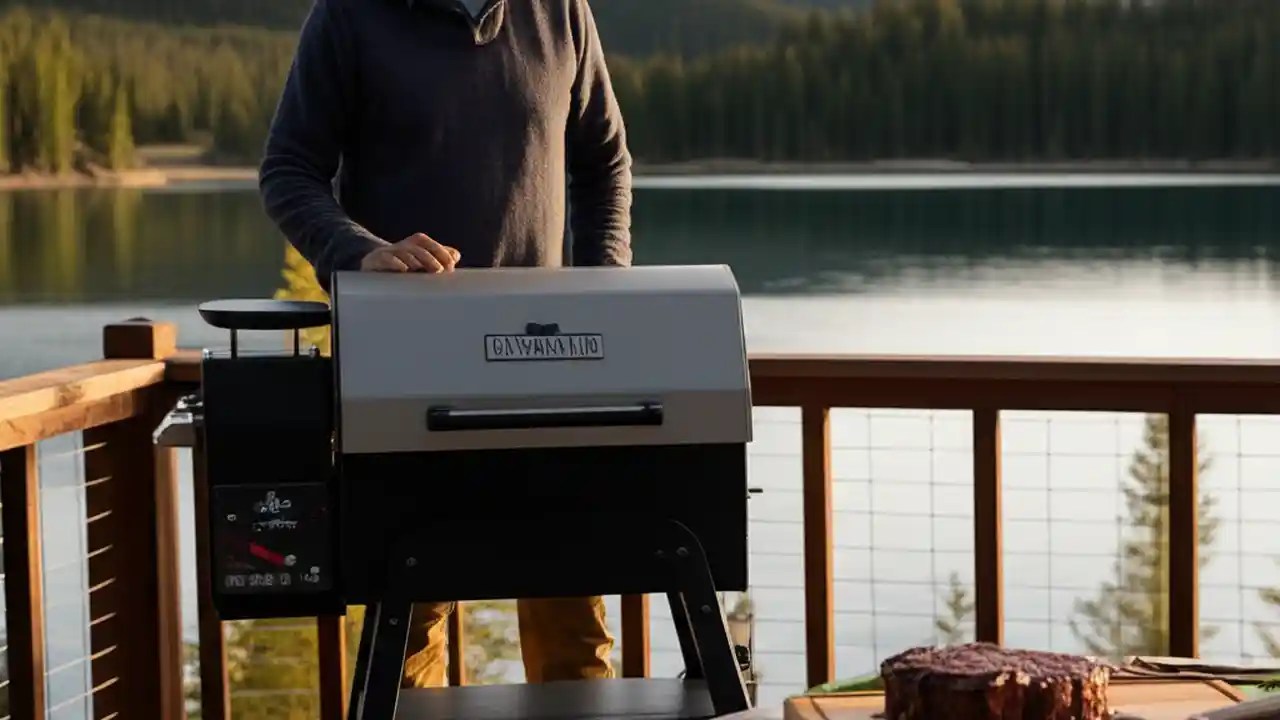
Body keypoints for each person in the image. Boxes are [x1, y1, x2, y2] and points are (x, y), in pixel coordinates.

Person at [257, 0, 632, 688]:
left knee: (574, 627)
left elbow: (604, 163)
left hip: (547, 375)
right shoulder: (348, 16)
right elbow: (287, 169)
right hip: (404, 375)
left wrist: (603, 292)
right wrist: (359, 252)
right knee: (408, 630)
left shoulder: (562, 12)